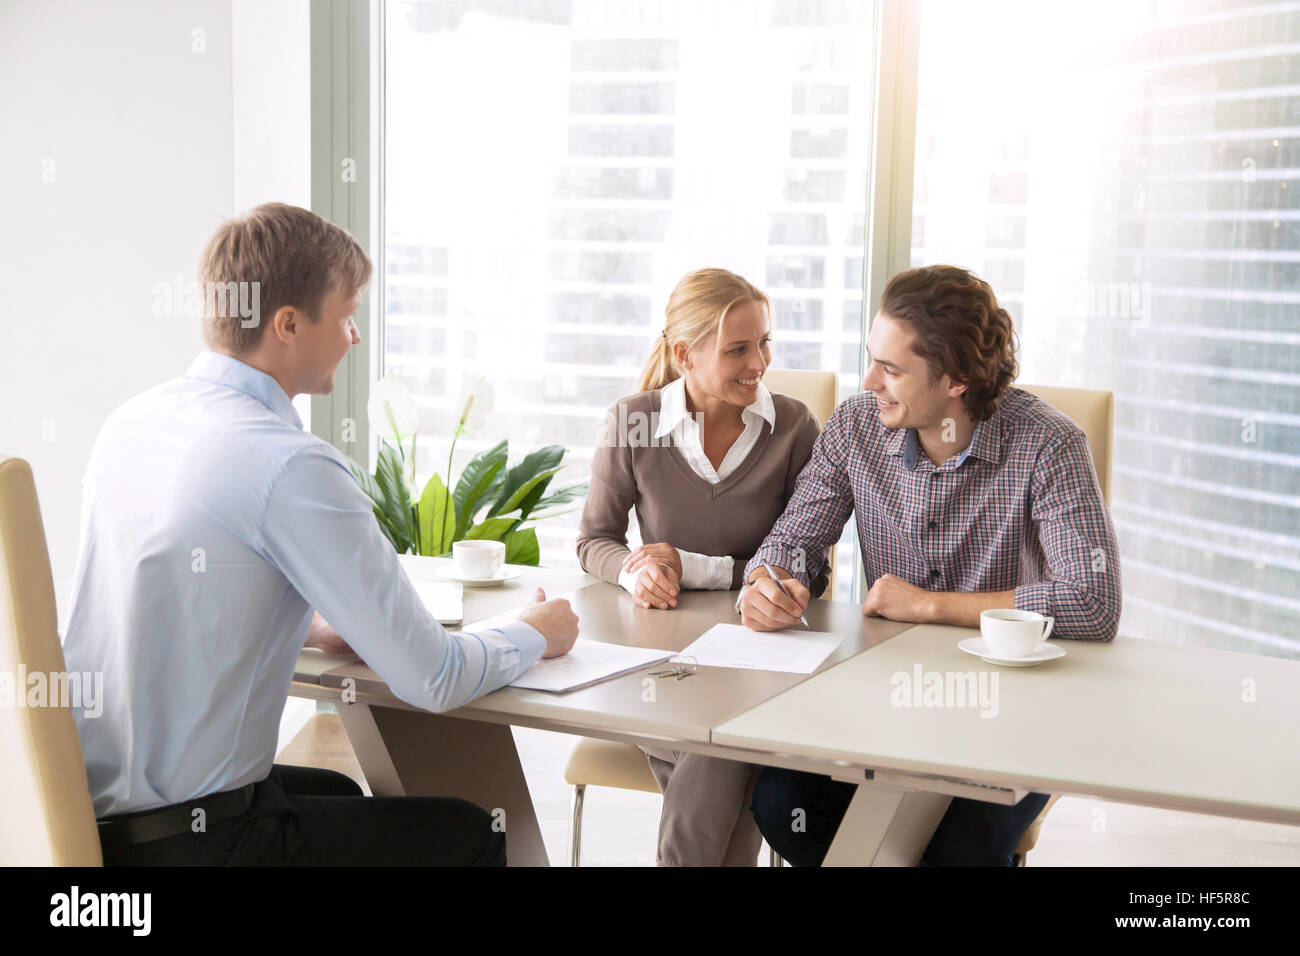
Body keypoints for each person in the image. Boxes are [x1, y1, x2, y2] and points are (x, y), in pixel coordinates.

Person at [63, 203, 578, 866]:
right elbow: (434, 677)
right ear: (287, 324)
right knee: (470, 834)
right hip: (203, 846)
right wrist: (538, 631)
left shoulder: (133, 423)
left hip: (95, 823)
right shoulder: (288, 462)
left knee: (335, 790)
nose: (354, 335)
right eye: (346, 312)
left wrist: (309, 627)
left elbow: (164, 587)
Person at [738, 264, 1122, 866]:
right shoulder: (855, 428)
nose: (869, 382)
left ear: (958, 379)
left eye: (891, 369)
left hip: (1013, 713)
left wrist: (931, 606)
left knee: (956, 849)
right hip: (880, 701)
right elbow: (791, 541)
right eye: (872, 360)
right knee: (781, 801)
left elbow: (1091, 602)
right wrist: (767, 582)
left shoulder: (1050, 444)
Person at [576, 267, 830, 866]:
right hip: (650, 663)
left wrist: (693, 567)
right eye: (739, 348)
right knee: (729, 750)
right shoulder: (632, 422)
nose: (759, 362)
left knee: (722, 741)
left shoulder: (793, 428)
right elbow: (595, 541)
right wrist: (635, 571)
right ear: (685, 354)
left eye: (764, 342)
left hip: (757, 660)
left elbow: (807, 570)